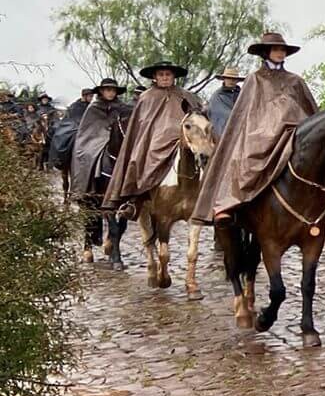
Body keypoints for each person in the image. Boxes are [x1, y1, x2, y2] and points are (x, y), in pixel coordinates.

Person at [191, 32, 317, 224]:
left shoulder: (296, 81)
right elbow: (243, 113)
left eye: (282, 49)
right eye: (275, 49)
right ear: (266, 52)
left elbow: (310, 110)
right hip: (260, 132)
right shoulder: (254, 79)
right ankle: (227, 203)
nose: (280, 53)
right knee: (244, 157)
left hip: (293, 131)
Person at [104, 61, 204, 218]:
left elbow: (197, 117)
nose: (165, 77)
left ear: (174, 76)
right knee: (137, 158)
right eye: (161, 74)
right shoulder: (146, 97)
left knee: (207, 154)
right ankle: (134, 199)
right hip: (155, 140)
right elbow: (142, 124)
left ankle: (212, 197)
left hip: (184, 137)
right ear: (155, 77)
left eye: (168, 74)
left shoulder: (188, 96)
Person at [69, 78, 136, 261]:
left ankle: (134, 197)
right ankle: (86, 187)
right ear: (101, 91)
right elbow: (88, 131)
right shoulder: (94, 108)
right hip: (95, 141)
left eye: (113, 90)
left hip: (118, 144)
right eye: (107, 90)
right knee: (87, 153)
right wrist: (104, 136)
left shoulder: (122, 108)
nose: (110, 93)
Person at [207, 69, 242, 136]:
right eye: (229, 78)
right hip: (224, 134)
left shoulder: (243, 94)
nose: (231, 80)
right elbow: (216, 114)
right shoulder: (217, 96)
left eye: (234, 79)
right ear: (224, 79)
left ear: (237, 81)